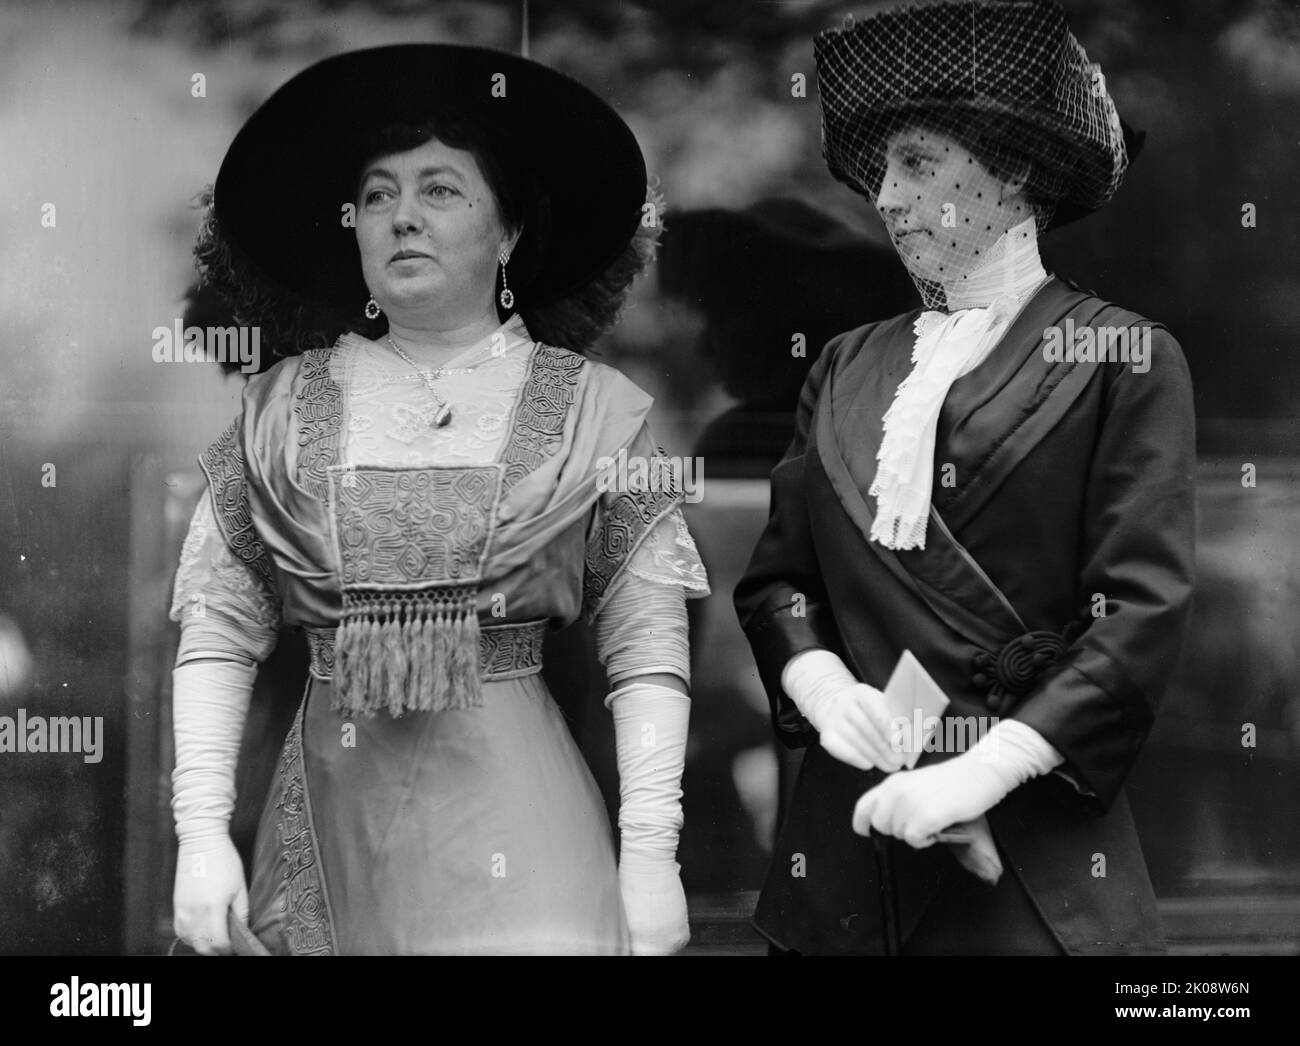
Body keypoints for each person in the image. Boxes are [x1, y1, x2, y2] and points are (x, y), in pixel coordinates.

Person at [168, 44, 708, 956]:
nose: (402, 217)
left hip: (524, 828)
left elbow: (646, 643)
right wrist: (198, 837)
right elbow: (219, 629)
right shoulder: (277, 412)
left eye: (440, 190)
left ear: (508, 234)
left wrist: (653, 857)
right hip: (332, 832)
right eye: (378, 195)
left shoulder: (595, 411)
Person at [734, 0, 1195, 955]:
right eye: (881, 172)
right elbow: (780, 580)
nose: (888, 199)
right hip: (846, 854)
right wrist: (820, 685)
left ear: (1016, 170)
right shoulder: (845, 364)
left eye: (918, 164)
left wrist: (984, 771)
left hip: (1034, 857)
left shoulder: (1122, 356)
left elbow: (1141, 612)